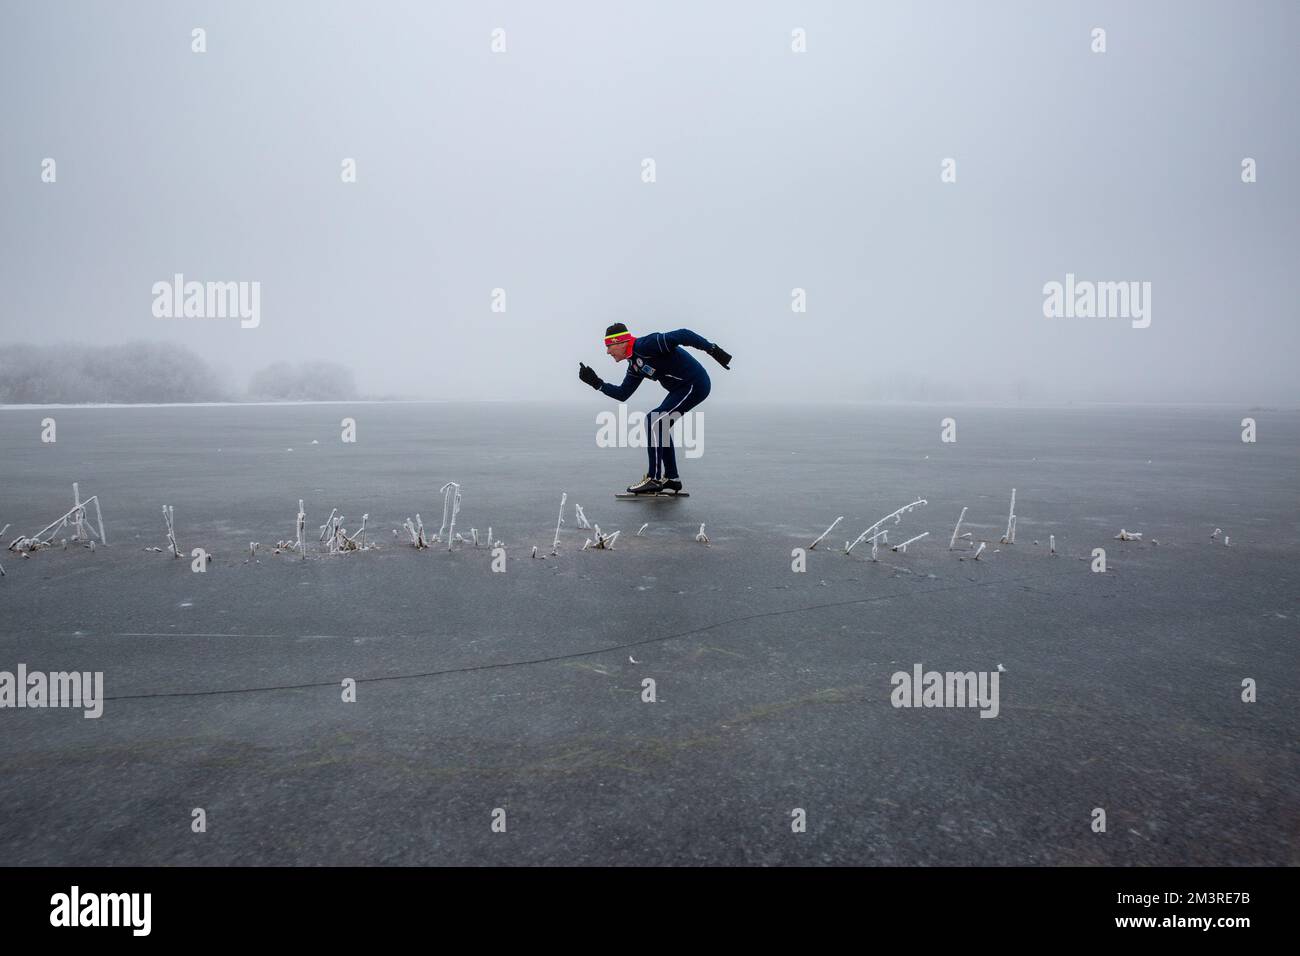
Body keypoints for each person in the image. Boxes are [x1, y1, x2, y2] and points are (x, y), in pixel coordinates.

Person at [578, 323, 732, 494]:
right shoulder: (635, 365)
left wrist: (712, 349)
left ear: (621, 342)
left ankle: (654, 478)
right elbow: (623, 393)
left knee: (654, 421)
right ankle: (672, 479)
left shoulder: (647, 345)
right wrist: (596, 383)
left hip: (695, 384)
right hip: (680, 388)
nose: (607, 352)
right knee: (658, 423)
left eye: (609, 346)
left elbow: (684, 334)